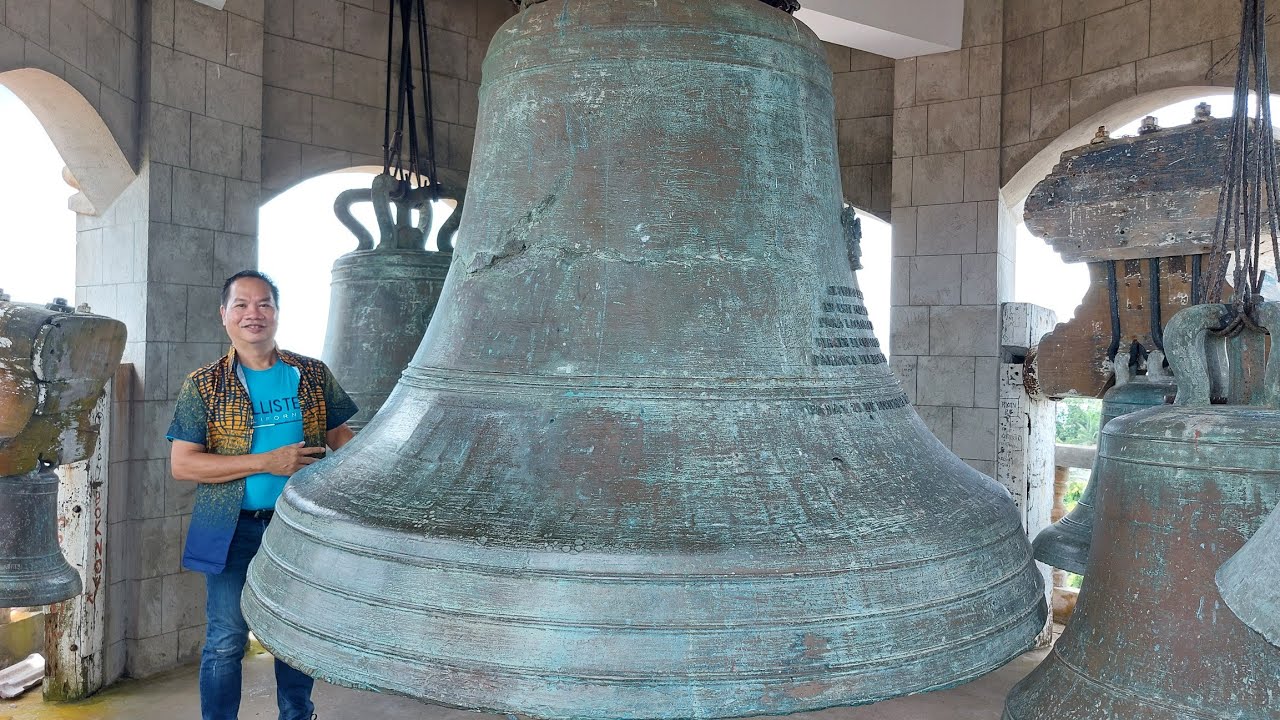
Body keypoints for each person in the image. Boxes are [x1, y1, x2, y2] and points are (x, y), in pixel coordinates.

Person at [167, 270, 357, 720]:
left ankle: (297, 714)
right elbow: (183, 465)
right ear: (225, 316)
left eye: (264, 304)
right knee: (226, 638)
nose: (254, 313)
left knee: (294, 636)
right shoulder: (204, 385)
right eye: (242, 305)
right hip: (232, 528)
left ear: (276, 312)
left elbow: (343, 440)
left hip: (298, 528)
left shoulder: (310, 374)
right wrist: (266, 462)